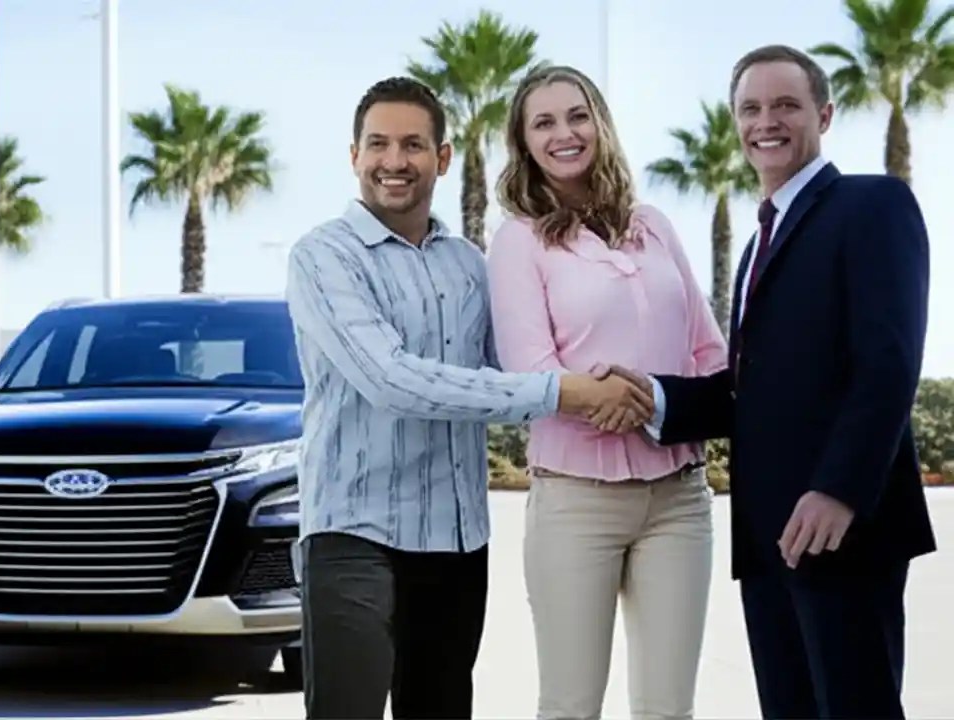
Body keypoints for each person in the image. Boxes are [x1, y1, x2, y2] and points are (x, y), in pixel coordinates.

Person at [284, 76, 655, 720]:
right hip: (353, 534)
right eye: (378, 144)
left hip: (455, 542)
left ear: (444, 157)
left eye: (413, 145)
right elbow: (393, 380)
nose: (394, 161)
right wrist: (566, 391)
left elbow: (511, 365)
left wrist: (619, 385)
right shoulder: (323, 257)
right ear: (354, 156)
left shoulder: (467, 263)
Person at [606, 45, 935, 719]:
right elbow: (758, 386)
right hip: (766, 536)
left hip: (843, 528)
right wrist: (656, 396)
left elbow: (889, 362)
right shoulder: (759, 240)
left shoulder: (873, 204)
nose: (767, 121)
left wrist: (839, 490)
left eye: (786, 104)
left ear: (825, 113)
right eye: (750, 108)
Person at [484, 64, 727, 720]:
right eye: (544, 122)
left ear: (600, 124)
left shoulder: (655, 226)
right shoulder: (517, 242)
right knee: (570, 705)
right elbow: (530, 370)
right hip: (574, 504)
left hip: (679, 500)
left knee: (668, 707)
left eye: (577, 115)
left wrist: (652, 400)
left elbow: (710, 354)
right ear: (524, 143)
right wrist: (630, 398)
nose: (565, 133)